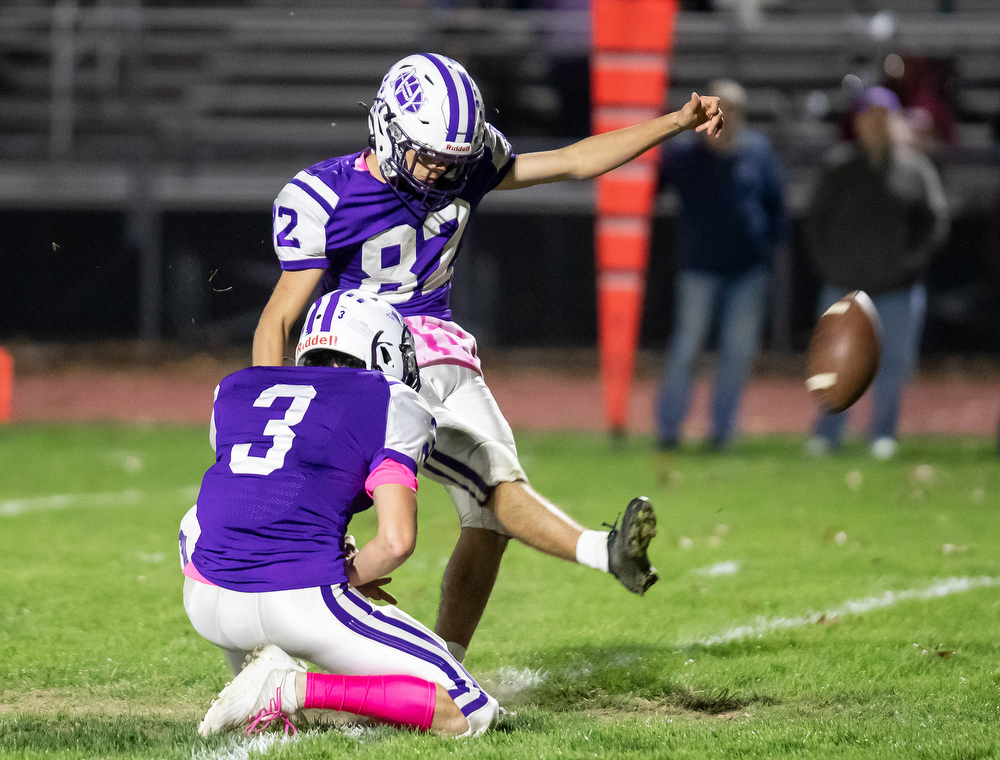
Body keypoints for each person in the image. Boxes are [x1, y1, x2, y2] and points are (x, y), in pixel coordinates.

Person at [252, 53, 723, 662]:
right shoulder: (325, 194)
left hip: (445, 349)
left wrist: (675, 122)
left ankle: (445, 663)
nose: (439, 174)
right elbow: (280, 315)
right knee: (465, 488)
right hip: (368, 362)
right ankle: (594, 551)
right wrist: (270, 401)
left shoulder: (464, 160)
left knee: (489, 514)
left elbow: (576, 160)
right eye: (428, 156)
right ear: (389, 129)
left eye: (452, 162)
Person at [181, 289, 496, 738]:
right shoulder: (389, 400)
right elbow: (395, 541)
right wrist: (350, 573)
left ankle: (250, 667)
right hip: (298, 602)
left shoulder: (236, 387)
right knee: (470, 712)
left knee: (194, 520)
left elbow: (258, 494)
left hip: (205, 599)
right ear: (383, 351)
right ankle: (287, 689)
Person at [804, 86, 949, 459]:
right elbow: (815, 221)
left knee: (893, 367)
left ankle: (882, 434)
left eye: (884, 117)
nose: (876, 125)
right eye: (869, 117)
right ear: (858, 122)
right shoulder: (838, 168)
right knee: (835, 364)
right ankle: (827, 434)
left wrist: (910, 265)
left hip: (897, 289)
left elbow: (935, 223)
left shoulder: (915, 168)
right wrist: (830, 265)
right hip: (843, 286)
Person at [655, 80, 786, 451]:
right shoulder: (685, 154)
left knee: (737, 355)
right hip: (699, 267)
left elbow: (775, 204)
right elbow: (651, 185)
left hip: (747, 270)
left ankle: (722, 433)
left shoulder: (758, 152)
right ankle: (668, 431)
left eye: (732, 108)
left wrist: (768, 249)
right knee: (687, 349)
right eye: (717, 107)